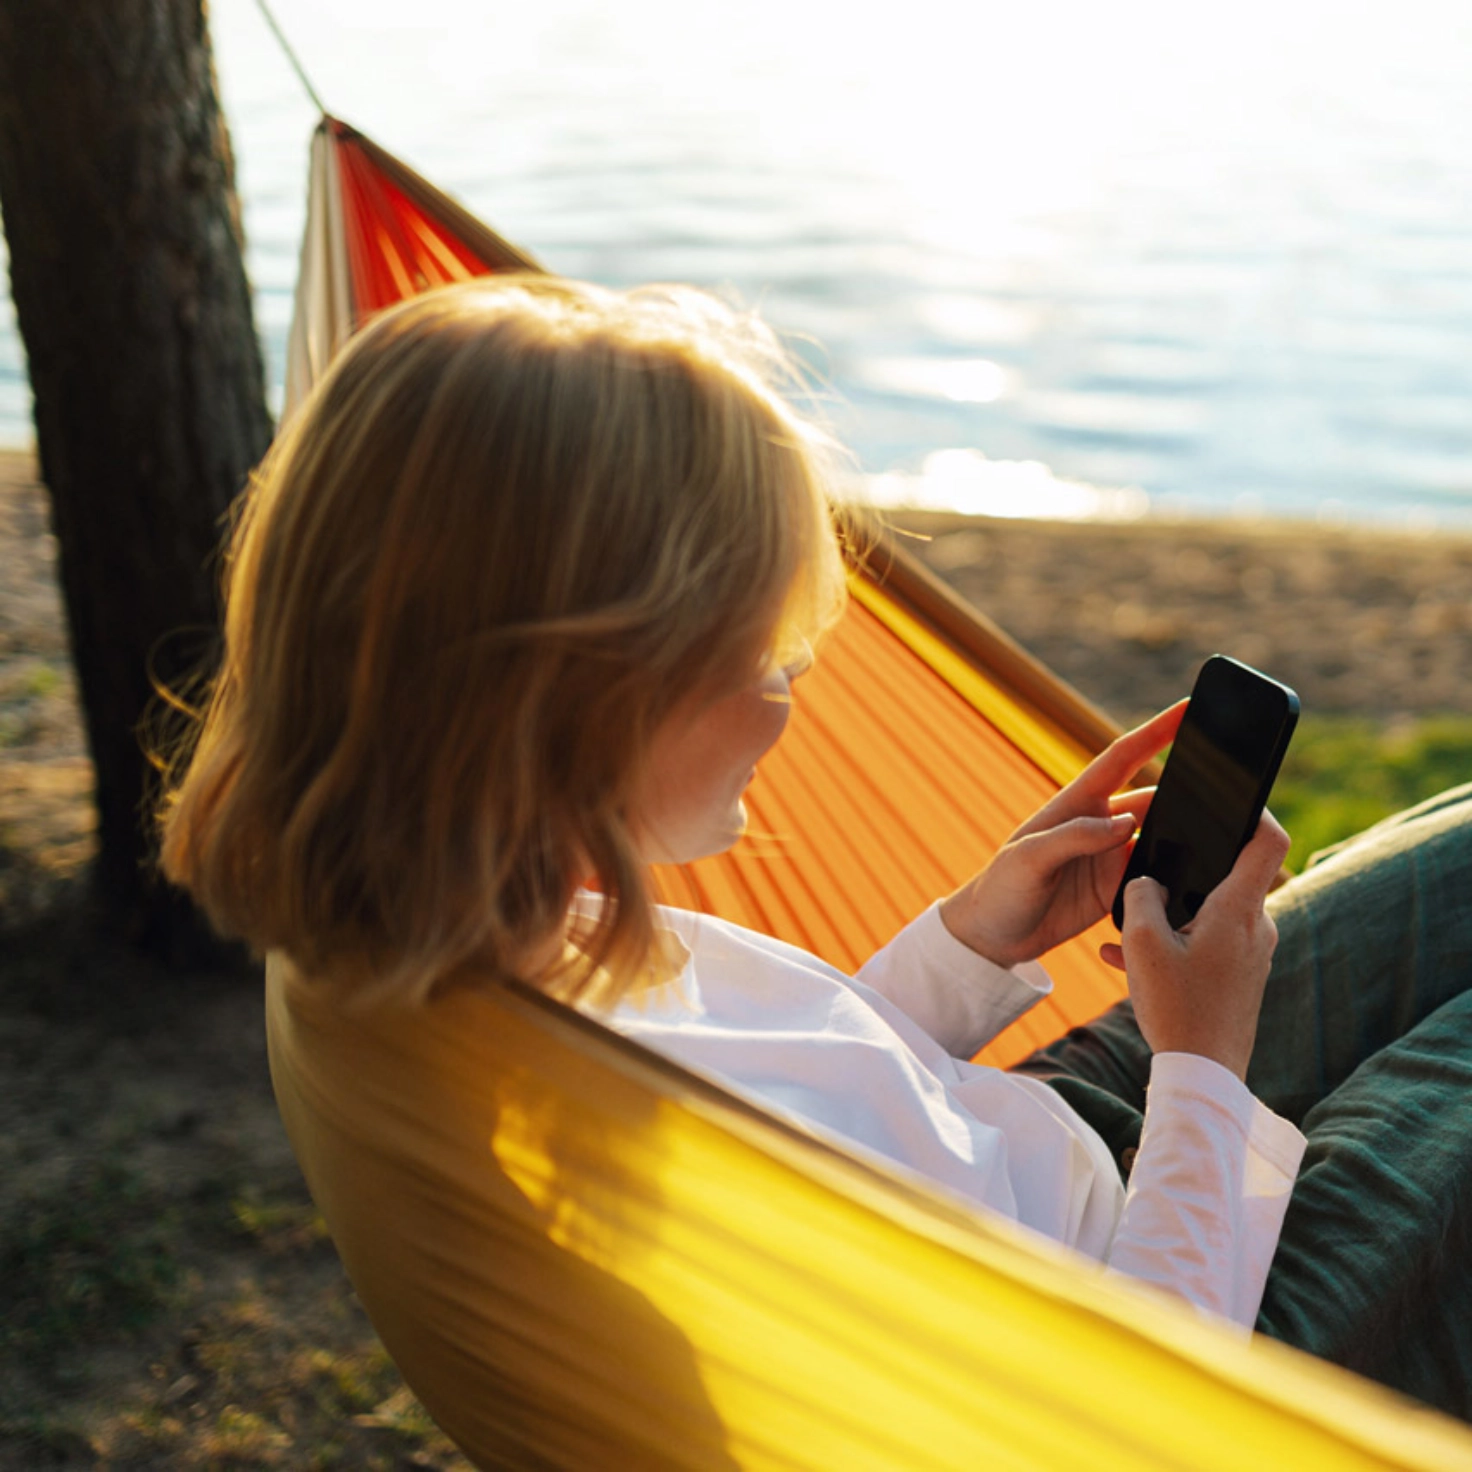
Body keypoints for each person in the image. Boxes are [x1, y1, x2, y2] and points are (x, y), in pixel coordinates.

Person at [157, 275, 1472, 1424]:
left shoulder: (482, 943)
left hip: (1055, 1168)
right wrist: (1202, 1063)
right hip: (1189, 1324)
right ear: (581, 696)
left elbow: (810, 1115)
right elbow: (1113, 1414)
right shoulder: (603, 1132)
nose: (792, 693)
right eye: (759, 656)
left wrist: (968, 947)